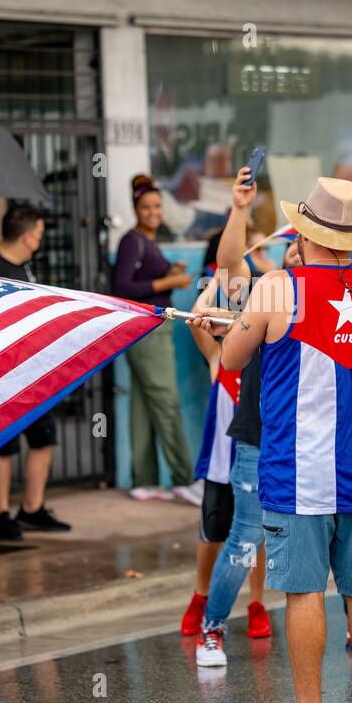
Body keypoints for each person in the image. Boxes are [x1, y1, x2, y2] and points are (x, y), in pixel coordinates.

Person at [192, 177, 352, 703]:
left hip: (297, 472)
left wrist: (226, 323)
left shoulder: (274, 288)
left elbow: (235, 358)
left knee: (305, 593)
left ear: (304, 232)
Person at [179, 222, 270, 644]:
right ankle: (200, 598)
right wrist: (217, 275)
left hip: (256, 453)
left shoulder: (263, 355)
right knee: (214, 530)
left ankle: (256, 603)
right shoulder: (220, 359)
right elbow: (197, 322)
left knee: (256, 533)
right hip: (223, 459)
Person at [0, 205, 70, 539]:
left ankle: (32, 508)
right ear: (27, 237)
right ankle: (0, 515)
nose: (39, 241)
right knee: (3, 445)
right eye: (38, 235)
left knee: (44, 437)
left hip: (31, 370)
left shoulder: (26, 267)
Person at [111, 174, 201, 505]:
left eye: (158, 206)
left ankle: (144, 480)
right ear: (136, 208)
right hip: (147, 329)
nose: (153, 212)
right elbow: (122, 289)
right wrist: (169, 282)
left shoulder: (147, 241)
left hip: (149, 328)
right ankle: (185, 479)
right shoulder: (132, 241)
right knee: (166, 401)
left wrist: (166, 274)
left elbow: (143, 280)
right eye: (147, 206)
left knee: (144, 404)